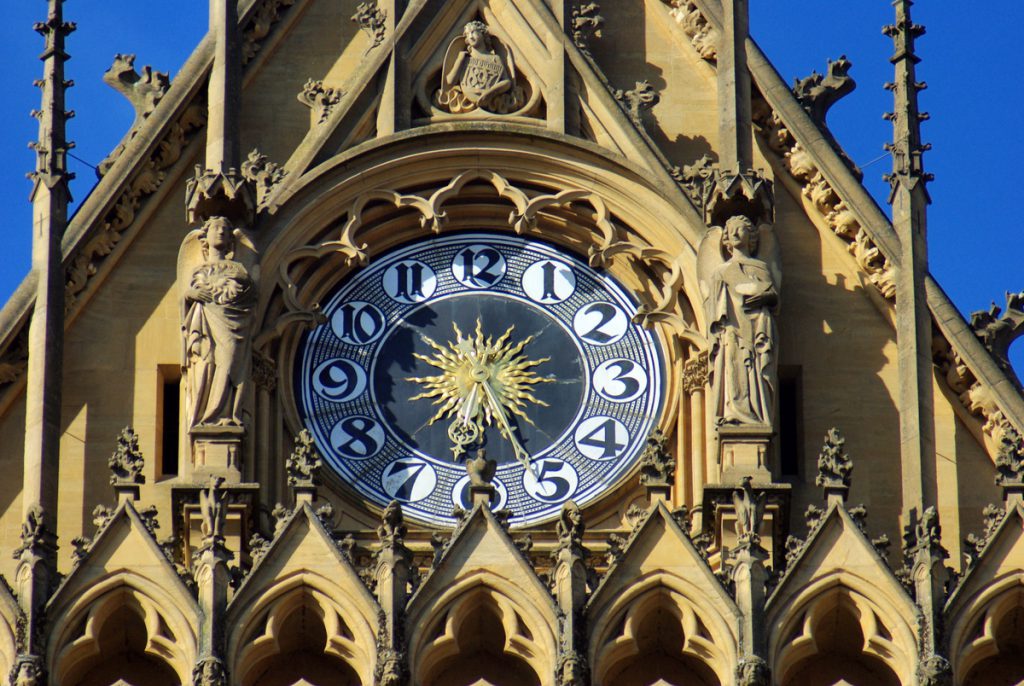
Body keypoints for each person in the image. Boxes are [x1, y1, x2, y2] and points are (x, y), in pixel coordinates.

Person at [182, 216, 256, 429]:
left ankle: (224, 412)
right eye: (216, 228)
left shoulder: (239, 269)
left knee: (230, 360)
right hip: (206, 324)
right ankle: (210, 415)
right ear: (205, 236)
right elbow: (186, 296)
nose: (221, 231)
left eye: (225, 228)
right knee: (208, 364)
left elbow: (249, 295)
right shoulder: (198, 270)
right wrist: (192, 294)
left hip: (233, 325)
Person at [706, 215, 779, 426]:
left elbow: (772, 293)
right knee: (734, 365)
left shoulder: (760, 267)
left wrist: (765, 295)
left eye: (741, 229)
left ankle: (754, 413)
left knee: (753, 370)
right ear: (726, 238)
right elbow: (715, 309)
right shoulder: (721, 272)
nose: (736, 234)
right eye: (731, 231)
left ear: (752, 236)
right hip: (732, 329)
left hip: (757, 326)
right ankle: (736, 411)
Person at [437, 21, 524, 114]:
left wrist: (490, 93)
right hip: (464, 102)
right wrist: (459, 60)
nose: (471, 36)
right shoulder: (465, 59)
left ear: (483, 34)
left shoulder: (495, 59)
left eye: (474, 32)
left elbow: (507, 82)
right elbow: (449, 82)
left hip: (492, 102)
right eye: (467, 34)